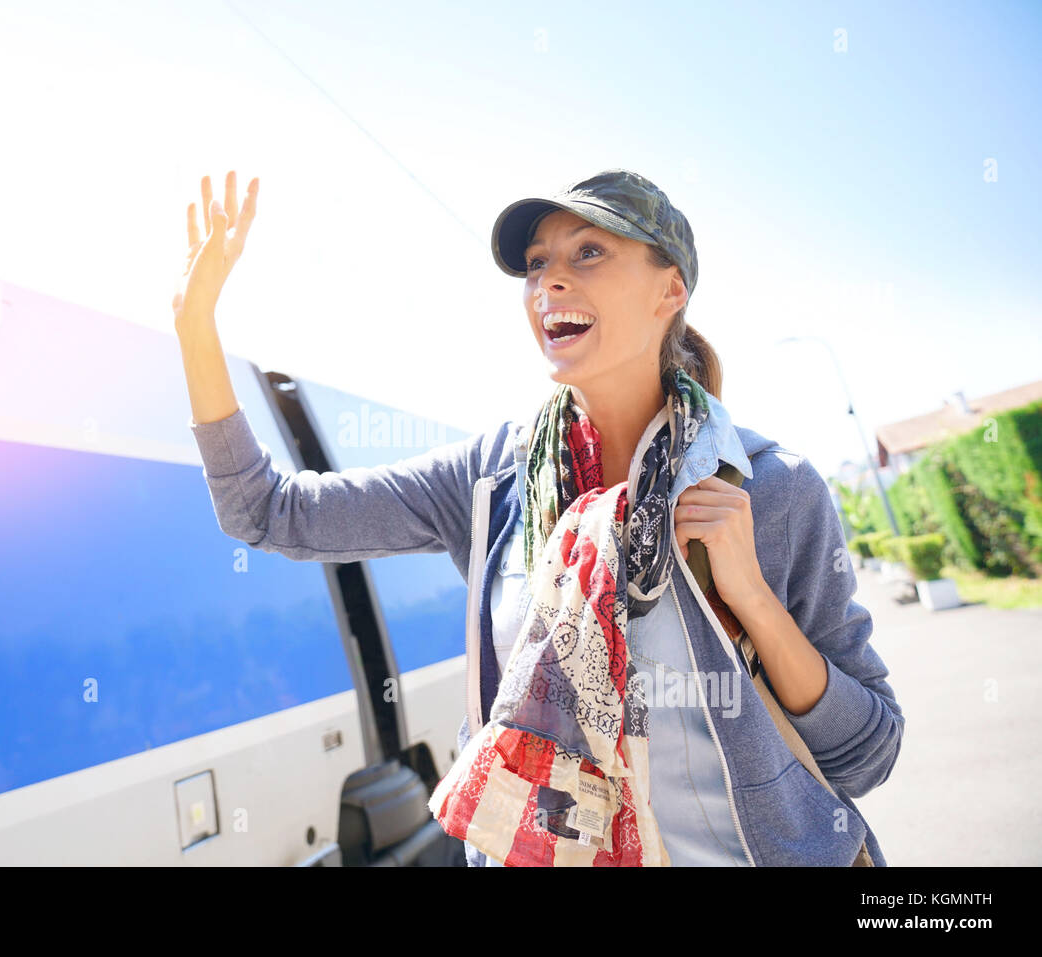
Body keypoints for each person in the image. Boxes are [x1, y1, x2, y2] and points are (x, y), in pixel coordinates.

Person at [174, 168, 904, 867]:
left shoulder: (773, 489)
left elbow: (866, 754)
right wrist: (194, 329)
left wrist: (754, 604)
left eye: (589, 252)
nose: (549, 281)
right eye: (535, 263)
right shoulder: (492, 482)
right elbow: (268, 512)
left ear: (670, 289)